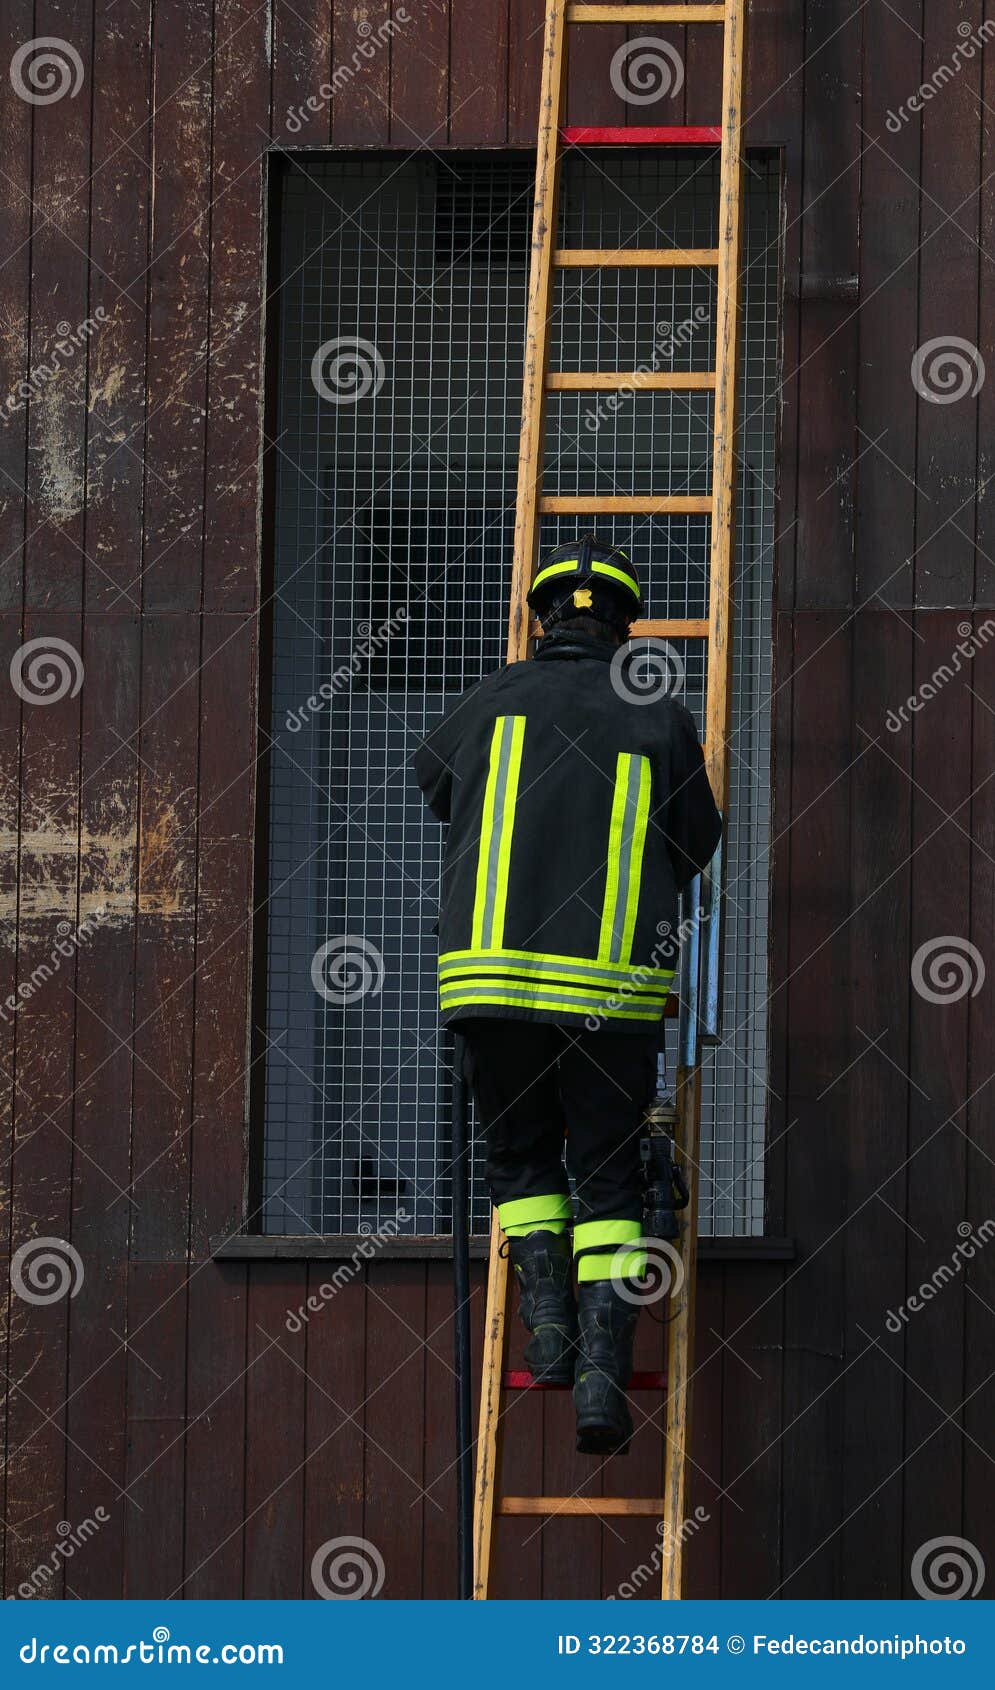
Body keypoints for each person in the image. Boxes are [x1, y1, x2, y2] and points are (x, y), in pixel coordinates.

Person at [414, 536, 721, 1455]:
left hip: (488, 984)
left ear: (541, 620)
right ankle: (598, 1378)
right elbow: (697, 842)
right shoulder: (656, 713)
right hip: (613, 998)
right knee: (612, 1175)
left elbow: (436, 787)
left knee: (517, 1157)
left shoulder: (492, 698)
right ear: (624, 628)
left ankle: (545, 1338)